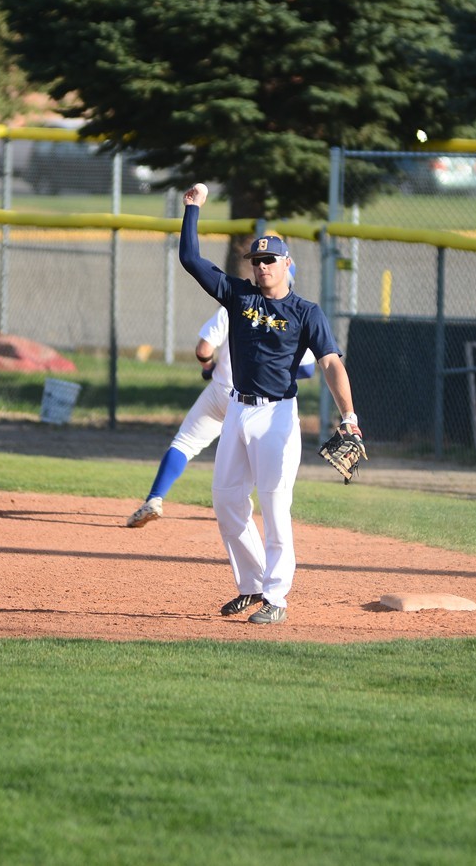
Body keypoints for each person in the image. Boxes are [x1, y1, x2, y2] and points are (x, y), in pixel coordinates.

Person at [177, 182, 359, 625]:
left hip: (277, 415)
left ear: (286, 264)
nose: (261, 267)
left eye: (269, 260)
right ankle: (253, 584)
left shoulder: (306, 312)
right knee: (226, 501)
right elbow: (191, 259)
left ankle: (277, 597)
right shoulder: (239, 295)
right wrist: (193, 209)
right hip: (237, 409)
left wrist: (349, 415)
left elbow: (331, 364)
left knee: (276, 507)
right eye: (256, 261)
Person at [125, 304, 315, 527]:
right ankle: (243, 507)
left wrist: (208, 367)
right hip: (262, 400)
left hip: (223, 391)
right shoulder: (293, 314)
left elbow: (203, 349)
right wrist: (273, 372)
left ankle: (155, 499)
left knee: (185, 442)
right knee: (255, 453)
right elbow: (307, 369)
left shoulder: (236, 305)